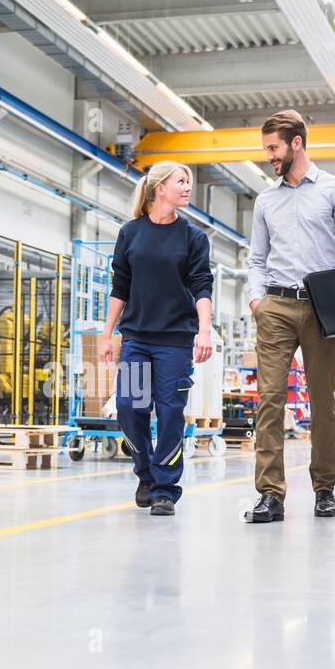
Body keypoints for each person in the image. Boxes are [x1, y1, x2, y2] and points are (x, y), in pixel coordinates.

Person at [244, 109, 335, 524]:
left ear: (296, 143)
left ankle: (324, 489)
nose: (269, 156)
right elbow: (256, 258)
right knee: (269, 401)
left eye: (273, 147)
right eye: (266, 148)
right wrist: (257, 299)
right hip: (276, 306)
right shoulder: (265, 199)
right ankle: (270, 494)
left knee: (322, 404)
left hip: (323, 308)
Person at [98, 160, 214, 517]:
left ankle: (165, 489)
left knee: (170, 412)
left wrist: (205, 329)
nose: (187, 187)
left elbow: (201, 285)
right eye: (181, 180)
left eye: (189, 181)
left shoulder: (193, 237)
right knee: (130, 409)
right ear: (159, 188)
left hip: (176, 342)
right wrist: (107, 334)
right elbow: (121, 286)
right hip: (136, 339)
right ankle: (145, 473)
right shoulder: (130, 233)